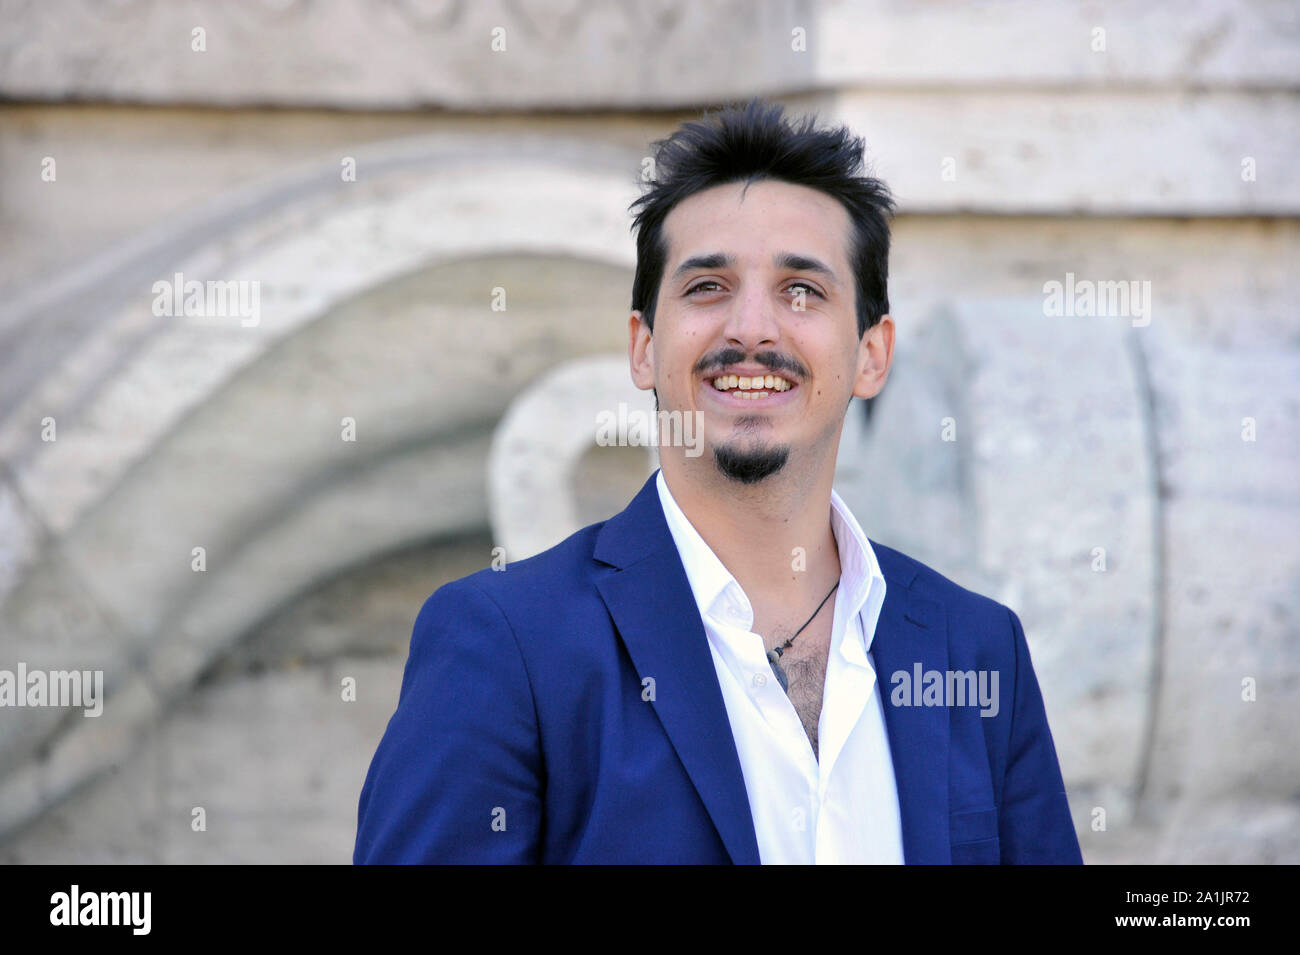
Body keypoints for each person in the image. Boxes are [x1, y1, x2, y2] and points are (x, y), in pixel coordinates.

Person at [354, 98, 1082, 864]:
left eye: (803, 290)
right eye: (707, 288)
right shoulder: (506, 644)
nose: (752, 331)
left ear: (872, 353)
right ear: (643, 348)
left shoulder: (976, 648)